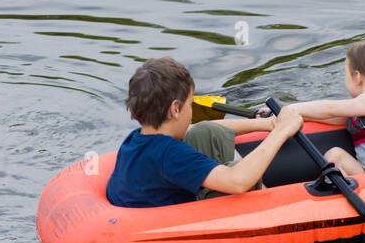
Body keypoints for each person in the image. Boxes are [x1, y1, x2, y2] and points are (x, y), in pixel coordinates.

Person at [106, 57, 302, 207]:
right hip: (174, 227)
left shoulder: (135, 139)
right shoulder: (171, 154)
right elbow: (238, 181)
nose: (191, 111)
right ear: (175, 109)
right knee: (236, 168)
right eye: (190, 104)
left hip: (152, 207)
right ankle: (275, 209)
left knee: (205, 130)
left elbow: (199, 128)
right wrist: (282, 131)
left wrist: (267, 124)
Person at [259, 37, 365, 178]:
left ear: (358, 77)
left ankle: (340, 194)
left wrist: (286, 108)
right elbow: (336, 118)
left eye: (345, 73)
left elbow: (329, 108)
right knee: (335, 155)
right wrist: (287, 116)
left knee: (334, 156)